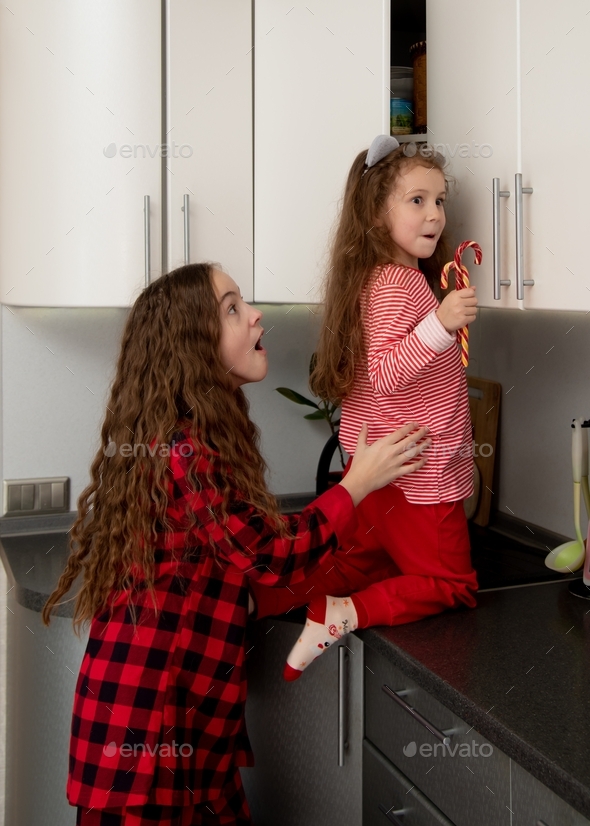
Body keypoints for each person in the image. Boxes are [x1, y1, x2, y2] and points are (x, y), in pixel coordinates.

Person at [42, 262, 430, 826]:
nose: (254, 315)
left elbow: (236, 542)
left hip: (185, 728)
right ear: (194, 345)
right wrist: (357, 484)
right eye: (231, 308)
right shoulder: (187, 448)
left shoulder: (196, 432)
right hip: (147, 734)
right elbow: (269, 555)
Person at [250, 135, 480, 681]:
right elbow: (387, 373)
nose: (435, 214)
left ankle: (256, 597)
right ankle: (343, 614)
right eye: (417, 200)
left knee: (360, 561)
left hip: (377, 471)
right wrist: (441, 323)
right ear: (377, 214)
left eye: (440, 200)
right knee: (452, 585)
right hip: (419, 474)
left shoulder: (376, 279)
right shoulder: (401, 284)